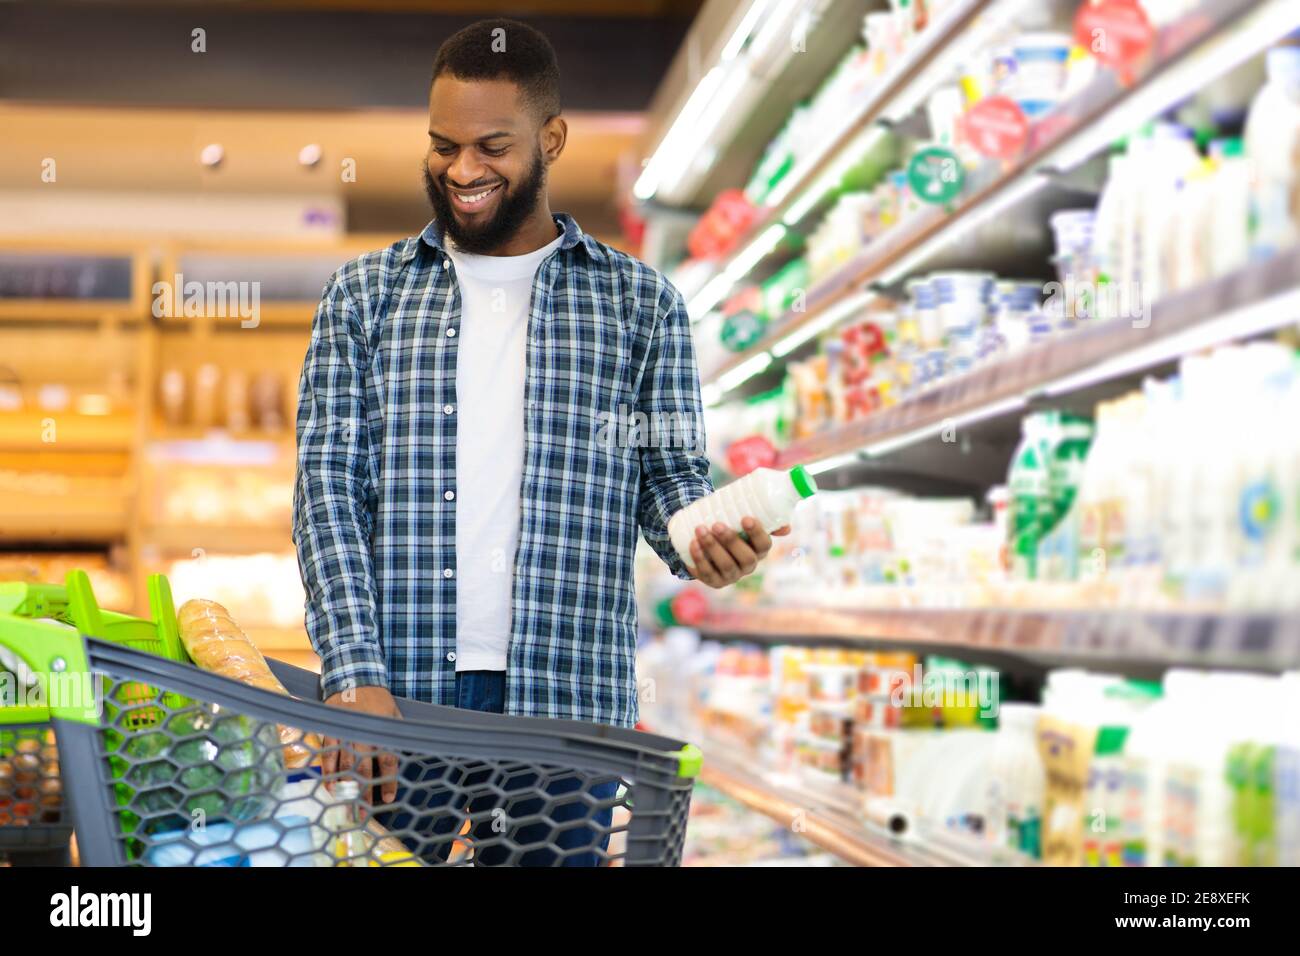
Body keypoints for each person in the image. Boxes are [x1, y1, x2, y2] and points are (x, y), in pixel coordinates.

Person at [292, 17, 786, 865]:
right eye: (443, 145)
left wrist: (704, 541)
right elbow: (327, 491)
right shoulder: (362, 298)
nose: (463, 170)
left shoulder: (641, 305)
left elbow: (666, 477)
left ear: (550, 139)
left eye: (492, 145)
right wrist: (352, 674)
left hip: (569, 702)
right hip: (399, 693)